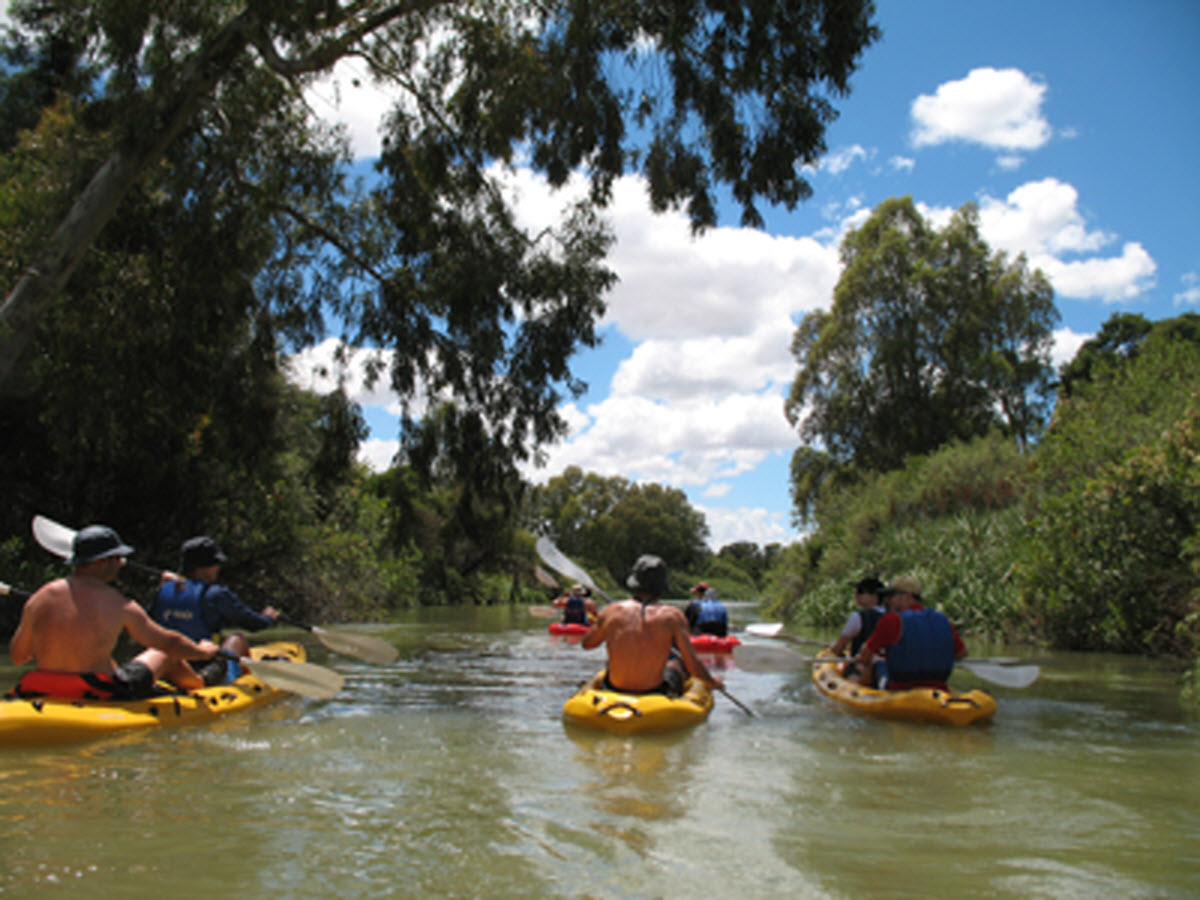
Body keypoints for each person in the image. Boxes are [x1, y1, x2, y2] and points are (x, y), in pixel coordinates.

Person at [7, 525, 220, 700]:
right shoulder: (118, 604)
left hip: (40, 688)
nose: (120, 564)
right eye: (117, 558)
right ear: (102, 561)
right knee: (165, 655)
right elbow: (169, 644)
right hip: (95, 691)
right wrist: (202, 651)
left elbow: (18, 657)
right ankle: (202, 685)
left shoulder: (39, 598)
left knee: (114, 663)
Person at [581, 555, 723, 695]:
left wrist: (598, 620)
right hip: (654, 691)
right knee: (679, 663)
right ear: (661, 586)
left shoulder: (611, 611)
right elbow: (693, 664)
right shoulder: (673, 616)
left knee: (610, 663)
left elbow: (588, 644)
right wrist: (712, 681)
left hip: (614, 688)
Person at [150, 535, 279, 687]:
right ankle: (246, 684)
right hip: (208, 674)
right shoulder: (216, 594)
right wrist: (269, 618)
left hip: (166, 672)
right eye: (216, 564)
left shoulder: (163, 590)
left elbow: (147, 621)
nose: (218, 568)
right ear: (206, 566)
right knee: (237, 638)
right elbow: (254, 624)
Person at [854, 575, 968, 691]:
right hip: (938, 689)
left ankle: (861, 691)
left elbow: (865, 654)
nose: (887, 600)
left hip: (900, 689)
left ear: (907, 596)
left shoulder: (892, 620)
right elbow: (961, 654)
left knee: (875, 661)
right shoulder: (943, 619)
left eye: (891, 595)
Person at [830, 576, 886, 683]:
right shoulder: (894, 617)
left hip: (861, 669)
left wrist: (834, 648)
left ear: (875, 597)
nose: (856, 595)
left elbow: (839, 648)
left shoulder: (858, 617)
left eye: (861, 592)